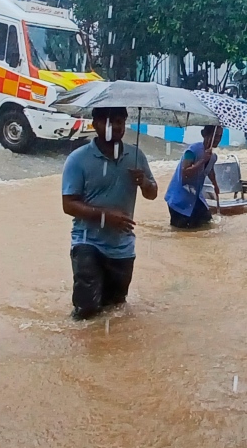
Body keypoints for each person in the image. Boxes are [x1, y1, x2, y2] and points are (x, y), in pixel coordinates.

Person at [61, 107, 158, 320]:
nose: (115, 127)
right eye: (109, 122)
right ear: (95, 124)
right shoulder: (78, 159)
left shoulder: (136, 156)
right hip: (87, 244)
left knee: (115, 311)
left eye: (120, 122)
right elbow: (68, 205)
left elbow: (152, 194)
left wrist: (144, 182)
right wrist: (105, 216)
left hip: (122, 247)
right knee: (86, 312)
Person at [164, 125, 223, 229]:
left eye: (220, 136)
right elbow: (185, 173)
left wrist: (216, 185)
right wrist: (202, 161)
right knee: (181, 231)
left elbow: (210, 170)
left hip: (195, 197)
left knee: (207, 223)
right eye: (215, 136)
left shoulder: (213, 157)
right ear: (204, 135)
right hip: (179, 199)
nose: (217, 139)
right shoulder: (191, 151)